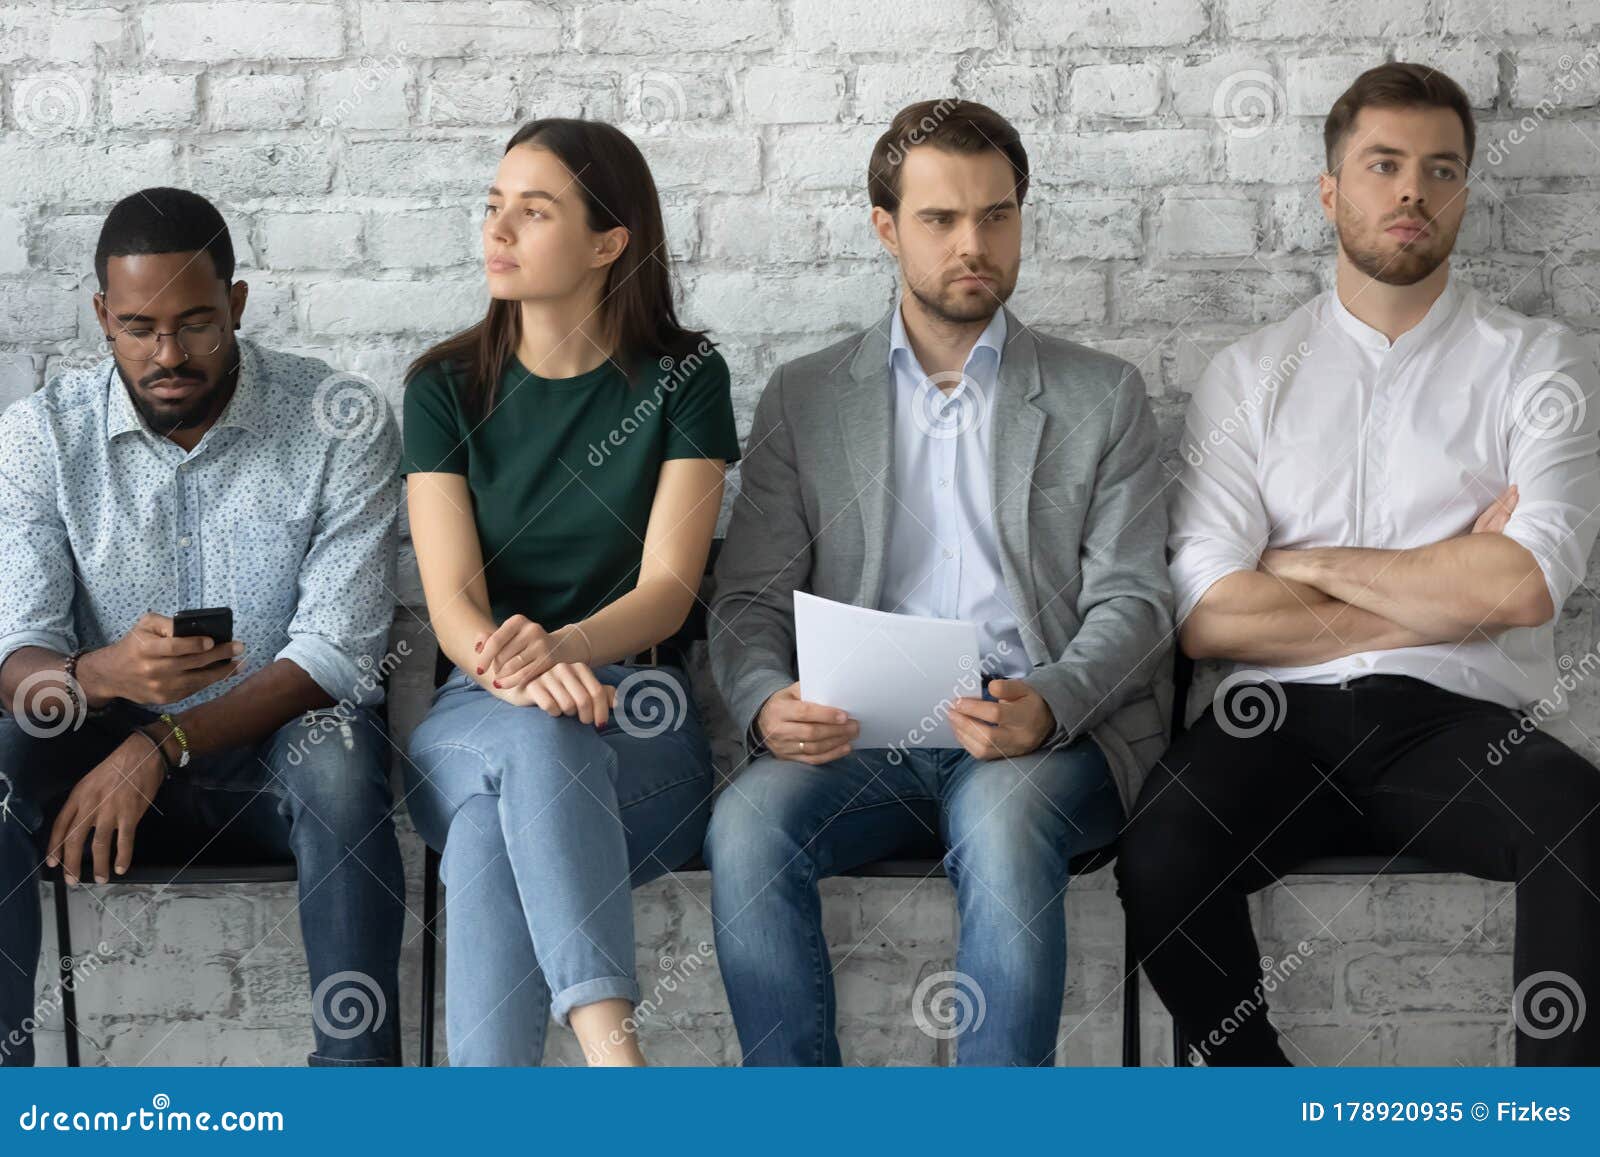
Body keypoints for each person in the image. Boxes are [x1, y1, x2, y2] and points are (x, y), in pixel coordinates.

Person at [1118, 62, 1600, 1066]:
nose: (1410, 192)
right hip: (1270, 721)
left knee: (1582, 821)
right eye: (1382, 165)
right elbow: (1209, 615)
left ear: (1464, 188)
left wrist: (1306, 564)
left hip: (1457, 723)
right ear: (1331, 190)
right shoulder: (1248, 374)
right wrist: (1447, 584)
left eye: (1439, 169)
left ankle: (1552, 1121)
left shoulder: (1537, 362)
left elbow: (1522, 586)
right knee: (1160, 845)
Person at [703, 100, 1174, 1066]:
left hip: (1043, 736)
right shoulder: (806, 396)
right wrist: (763, 703)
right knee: (748, 821)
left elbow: (1135, 601)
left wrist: (1049, 701)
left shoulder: (1103, 393)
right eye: (941, 219)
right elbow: (748, 597)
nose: (975, 243)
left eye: (997, 216)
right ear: (885, 227)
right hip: (863, 739)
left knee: (998, 820)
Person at [0, 188, 405, 1067]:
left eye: (197, 323)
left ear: (239, 305)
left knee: (339, 755)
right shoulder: (40, 436)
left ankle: (358, 1100)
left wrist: (162, 741)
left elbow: (337, 652)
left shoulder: (340, 420)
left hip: (267, 764)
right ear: (103, 315)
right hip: (90, 777)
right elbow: (18, 654)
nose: (169, 354)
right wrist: (102, 676)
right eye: (140, 328)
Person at [401, 119, 739, 1066]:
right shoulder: (442, 387)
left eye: (533, 211)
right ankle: (614, 1059)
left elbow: (669, 592)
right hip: (475, 711)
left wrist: (568, 649)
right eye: (493, 207)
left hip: (642, 719)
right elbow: (454, 606)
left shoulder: (685, 377)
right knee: (534, 737)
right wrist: (523, 676)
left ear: (608, 242)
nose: (497, 231)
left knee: (485, 842)